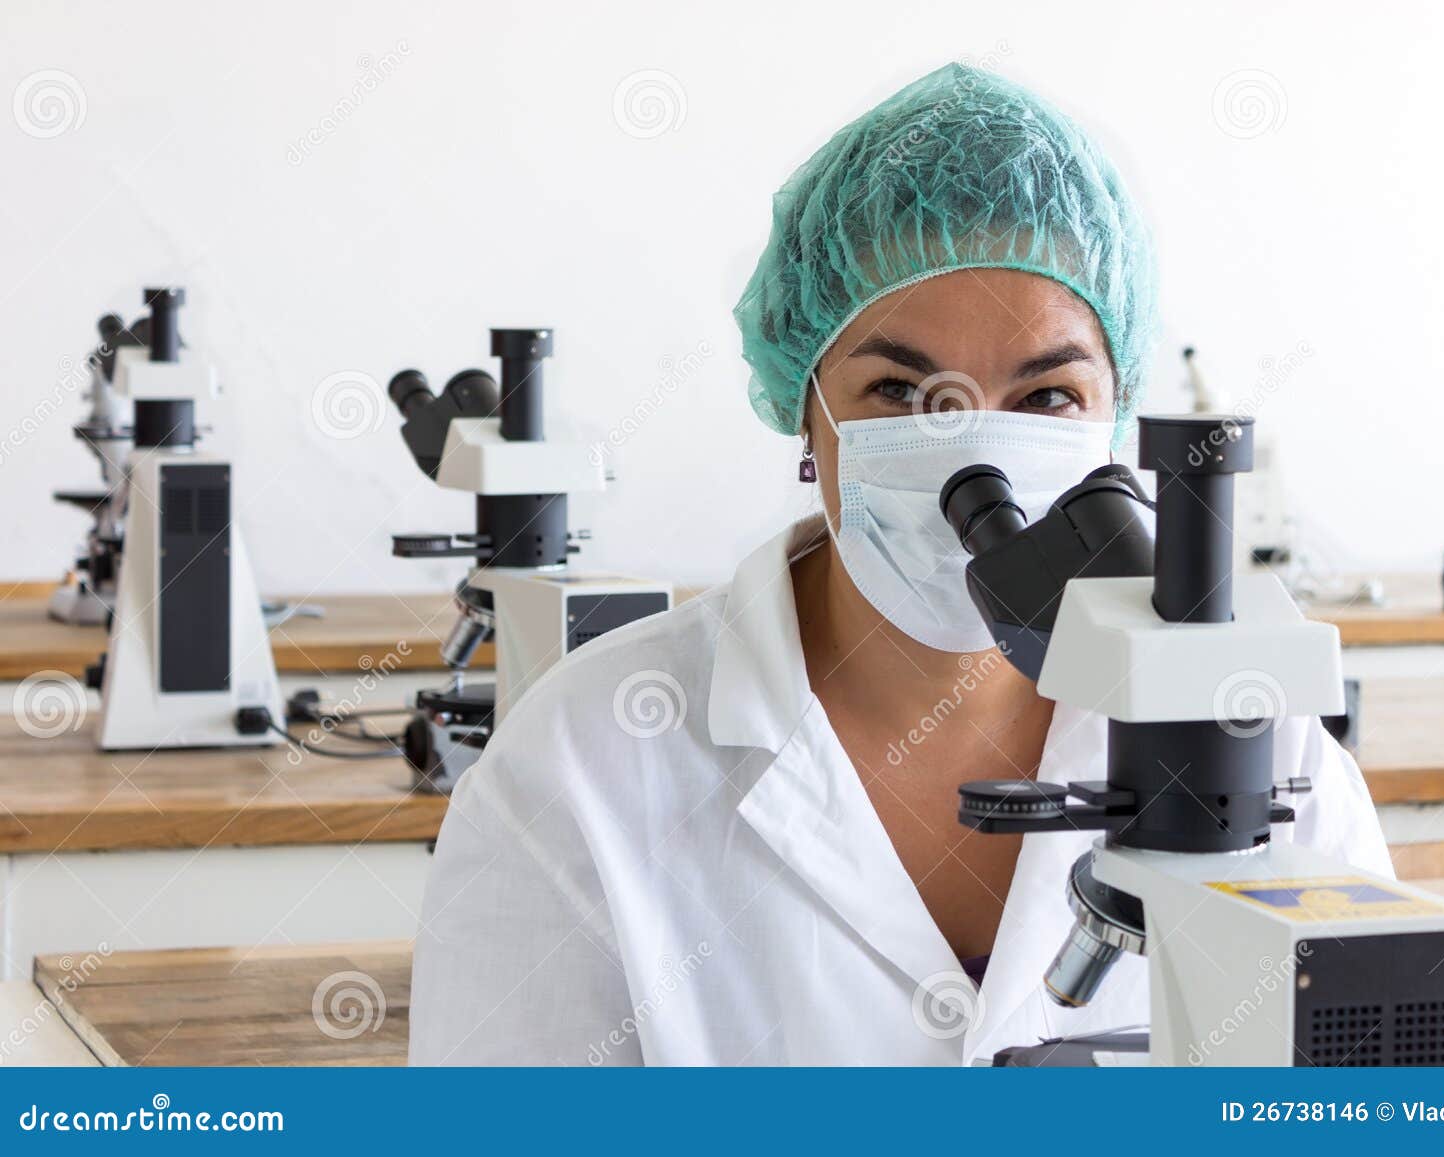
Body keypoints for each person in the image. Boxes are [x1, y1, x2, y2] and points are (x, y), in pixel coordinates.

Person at [408, 62, 1390, 1066]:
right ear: (805, 407)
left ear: (1118, 418)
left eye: (1046, 397)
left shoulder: (1254, 739)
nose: (977, 448)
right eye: (899, 389)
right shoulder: (581, 765)